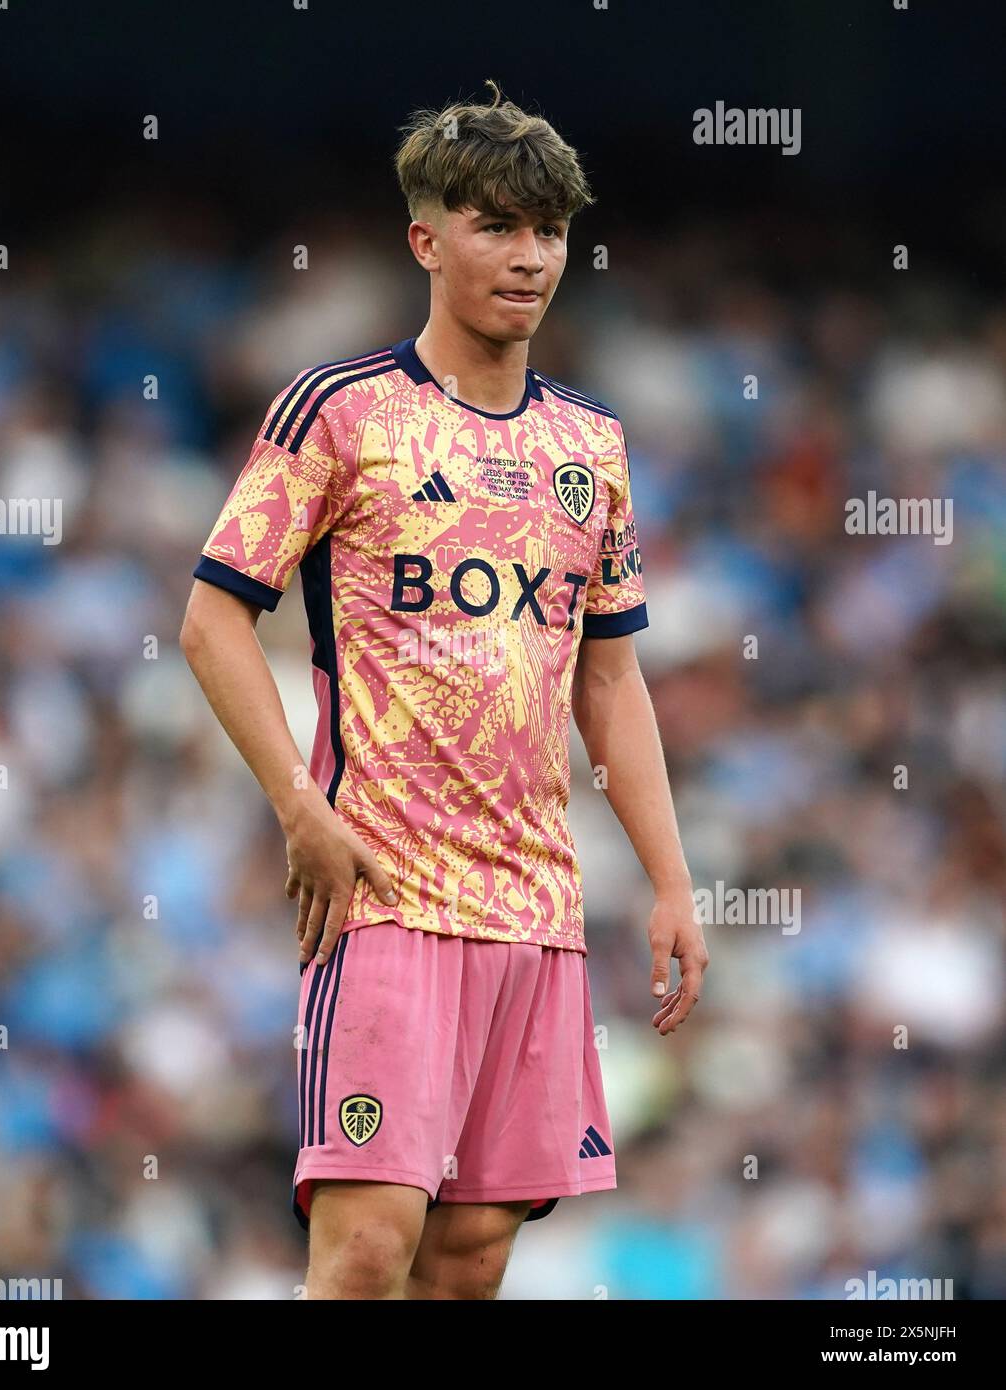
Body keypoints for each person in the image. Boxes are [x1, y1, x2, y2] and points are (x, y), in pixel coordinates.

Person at [180, 79, 707, 1300]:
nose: (529, 258)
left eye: (549, 232)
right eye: (496, 227)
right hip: (383, 890)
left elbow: (609, 678)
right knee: (367, 1247)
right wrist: (298, 806)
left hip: (534, 905)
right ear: (426, 239)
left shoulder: (590, 446)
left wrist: (673, 880)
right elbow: (211, 620)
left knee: (469, 1262)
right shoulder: (342, 410)